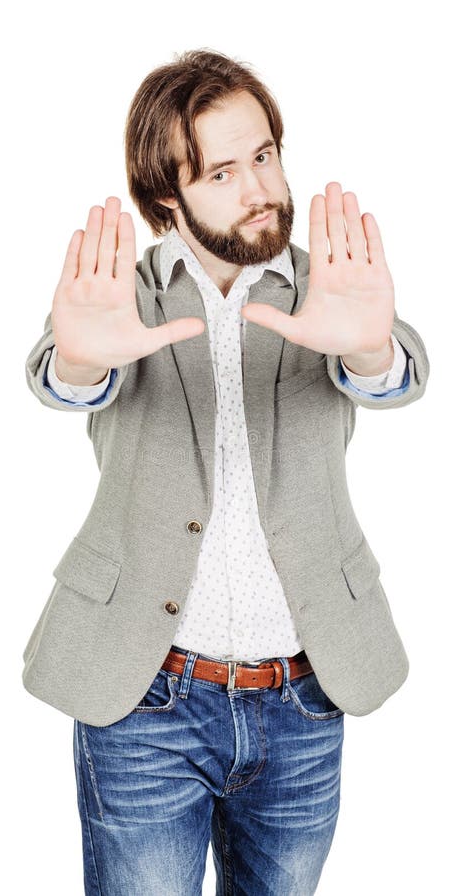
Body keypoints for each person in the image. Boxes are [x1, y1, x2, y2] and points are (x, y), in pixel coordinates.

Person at [21, 48, 429, 895]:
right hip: (145, 697)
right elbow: (65, 377)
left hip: (303, 699)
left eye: (265, 156)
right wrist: (80, 364)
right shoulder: (121, 297)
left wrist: (369, 348)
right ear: (165, 195)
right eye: (222, 173)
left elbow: (395, 372)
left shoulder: (332, 288)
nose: (260, 190)